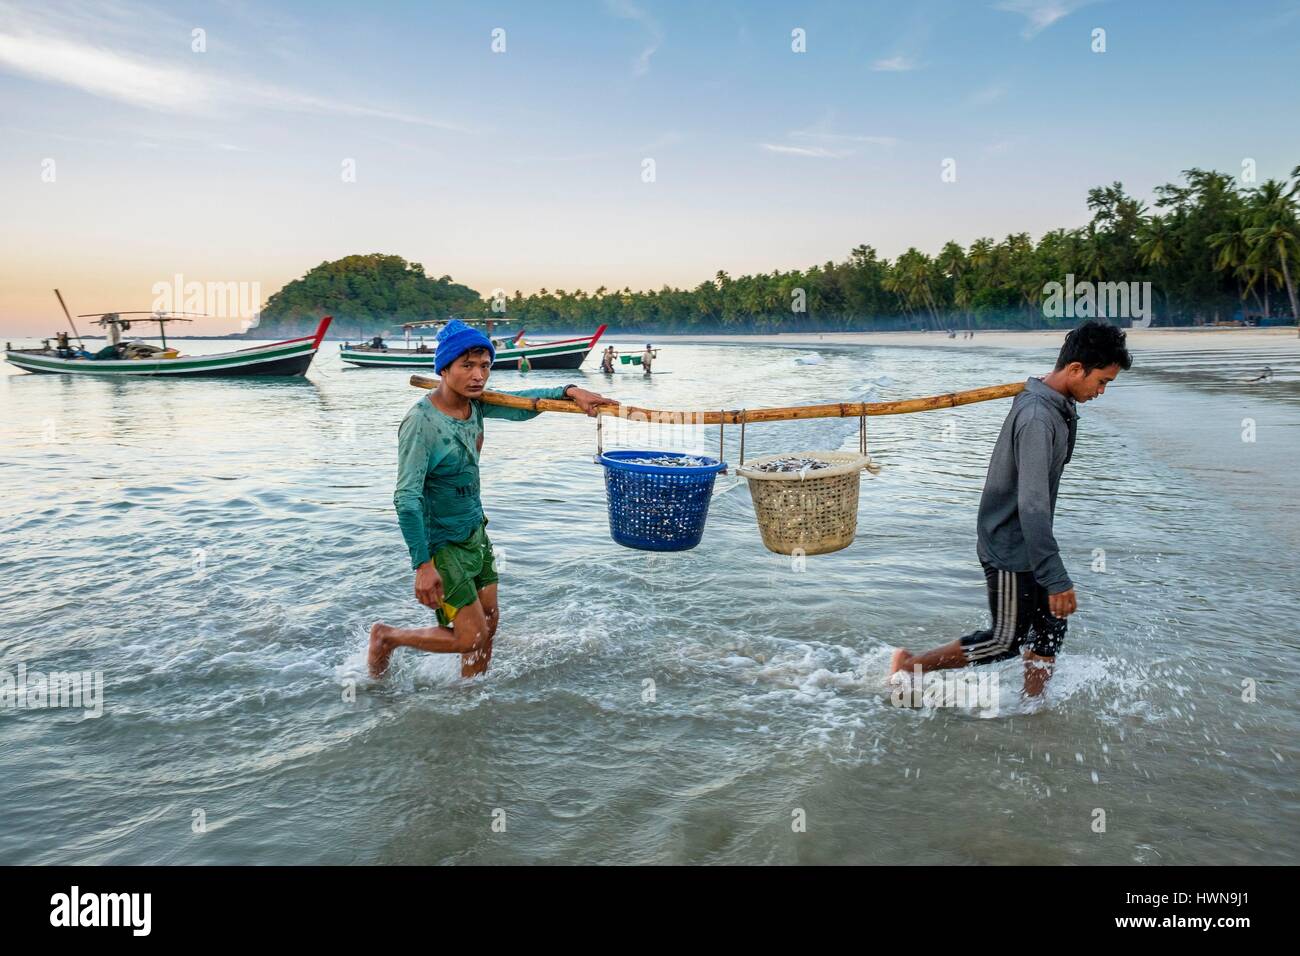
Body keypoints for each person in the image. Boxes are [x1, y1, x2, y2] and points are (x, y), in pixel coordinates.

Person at [889, 320, 1133, 698]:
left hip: (1031, 540)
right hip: (1008, 543)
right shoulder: (1038, 417)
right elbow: (1032, 504)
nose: (1101, 391)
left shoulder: (1055, 404)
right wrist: (1055, 577)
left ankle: (1032, 706)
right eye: (1101, 381)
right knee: (1004, 640)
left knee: (1052, 625)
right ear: (1074, 369)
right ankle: (909, 666)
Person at [369, 320, 616, 678]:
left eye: (484, 366)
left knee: (489, 624)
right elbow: (406, 498)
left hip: (474, 532)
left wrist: (571, 389)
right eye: (466, 366)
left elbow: (525, 404)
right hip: (442, 541)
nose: (478, 375)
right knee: (471, 636)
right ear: (444, 368)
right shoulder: (421, 422)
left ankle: (468, 701)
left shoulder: (477, 404)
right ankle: (387, 637)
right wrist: (423, 565)